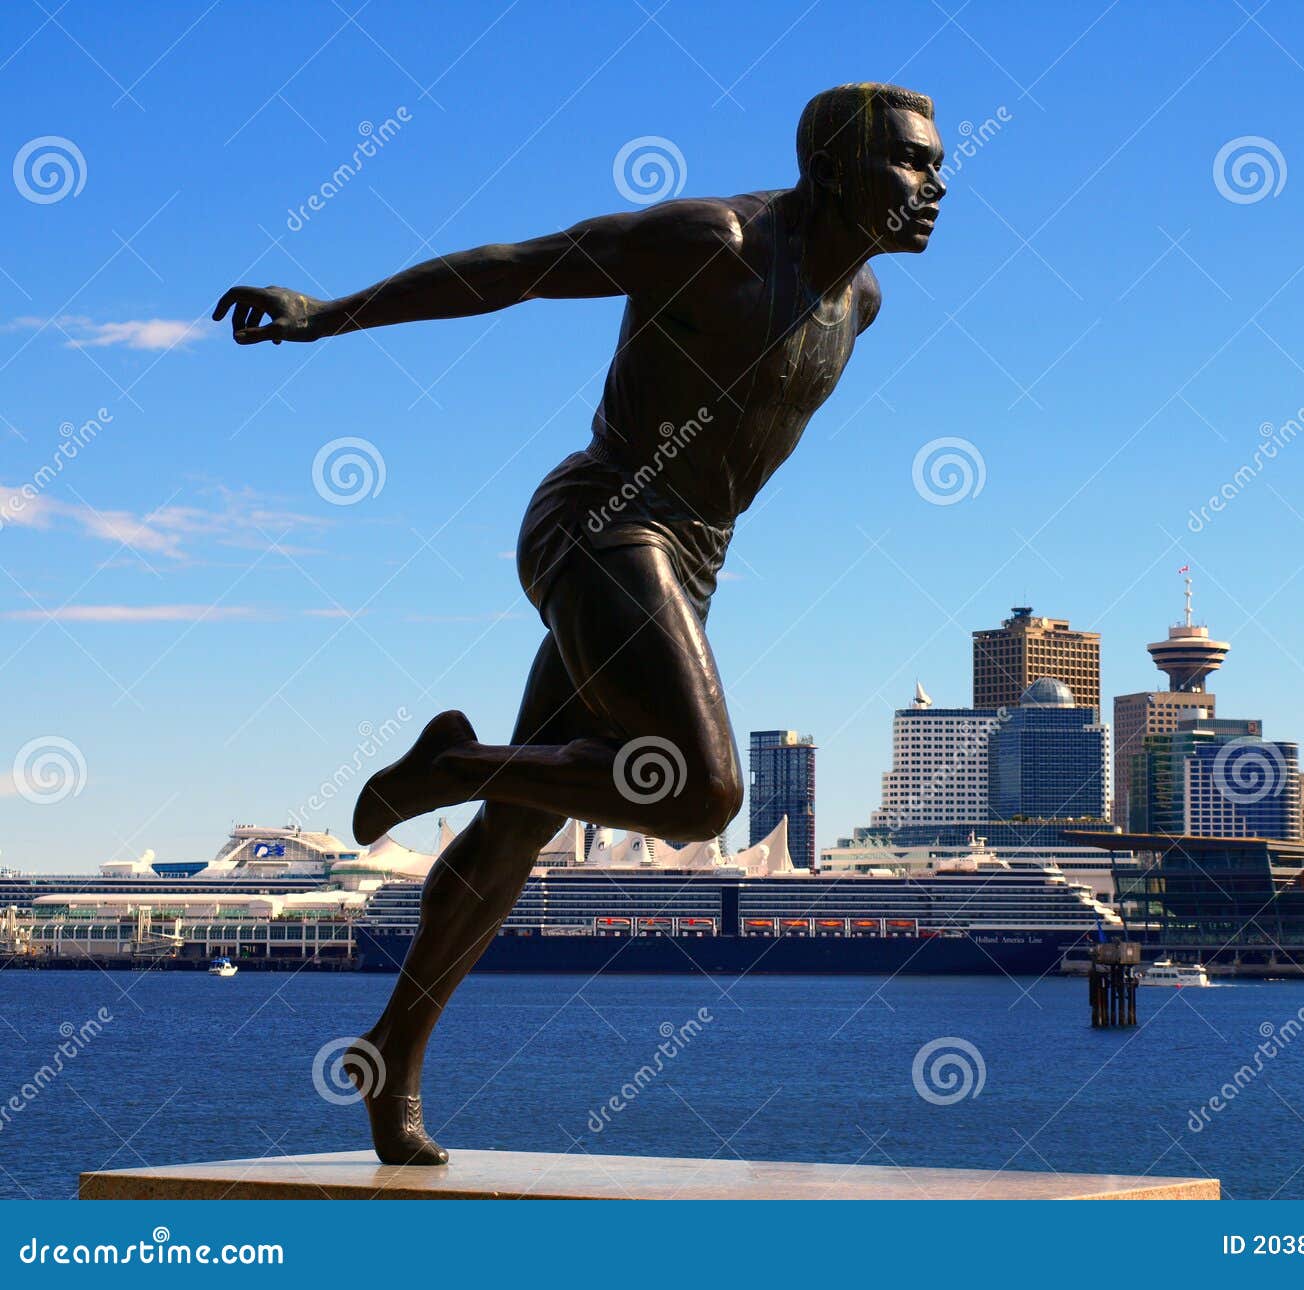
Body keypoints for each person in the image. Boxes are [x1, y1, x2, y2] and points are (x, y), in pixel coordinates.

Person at [213, 83, 945, 1164]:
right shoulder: (717, 242)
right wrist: (328, 312)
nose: (933, 186)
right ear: (832, 166)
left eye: (937, 165)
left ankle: (390, 1059)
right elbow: (514, 271)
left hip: (688, 560)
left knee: (518, 829)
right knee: (701, 793)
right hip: (601, 522)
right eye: (910, 163)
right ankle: (455, 763)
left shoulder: (863, 301)